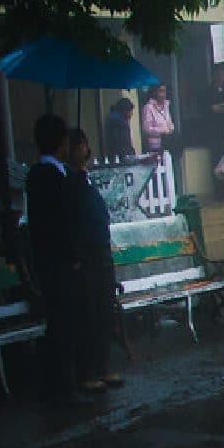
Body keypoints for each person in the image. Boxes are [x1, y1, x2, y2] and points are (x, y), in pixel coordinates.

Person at [25, 114, 86, 406]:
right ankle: (64, 387)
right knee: (64, 324)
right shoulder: (54, 178)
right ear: (61, 143)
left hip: (46, 262)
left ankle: (55, 385)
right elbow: (63, 224)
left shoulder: (36, 175)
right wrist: (73, 256)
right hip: (59, 263)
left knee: (58, 323)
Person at [65, 128, 124, 393]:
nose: (84, 150)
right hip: (87, 254)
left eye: (85, 145)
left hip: (101, 252)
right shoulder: (69, 182)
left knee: (103, 312)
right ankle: (87, 370)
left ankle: (102, 365)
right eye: (79, 146)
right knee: (88, 314)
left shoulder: (85, 179)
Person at [141, 84, 175, 156]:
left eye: (164, 92)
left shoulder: (166, 105)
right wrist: (163, 131)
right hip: (155, 146)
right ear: (154, 93)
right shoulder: (148, 107)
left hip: (169, 143)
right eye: (161, 91)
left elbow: (169, 122)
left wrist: (171, 128)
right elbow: (147, 129)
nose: (163, 94)